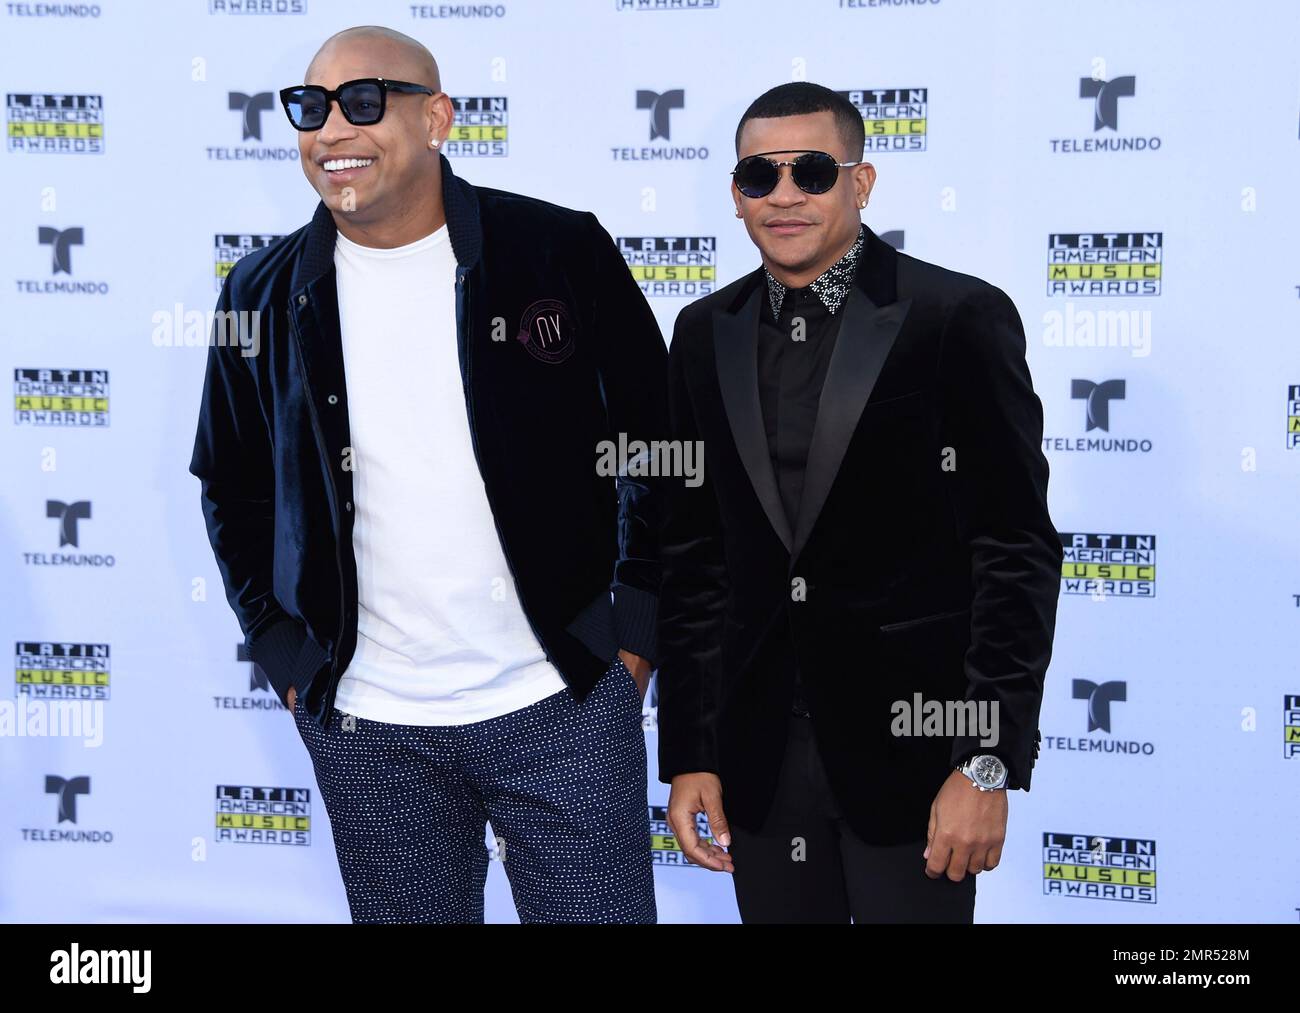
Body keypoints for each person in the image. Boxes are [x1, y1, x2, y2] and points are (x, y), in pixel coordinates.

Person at [189, 25, 666, 924]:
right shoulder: (255, 291)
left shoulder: (557, 249)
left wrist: (631, 634)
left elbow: (657, 446)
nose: (333, 129)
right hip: (370, 728)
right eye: (311, 107)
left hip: (560, 698)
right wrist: (287, 653)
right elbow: (230, 482)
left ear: (437, 116)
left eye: (364, 101)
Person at [656, 82, 1062, 923]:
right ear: (735, 195)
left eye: (811, 169)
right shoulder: (703, 331)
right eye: (758, 177)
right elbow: (697, 557)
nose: (785, 196)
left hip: (916, 759)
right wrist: (691, 751)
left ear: (861, 181)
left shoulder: (954, 317)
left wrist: (983, 760)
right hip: (761, 762)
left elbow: (1013, 549)